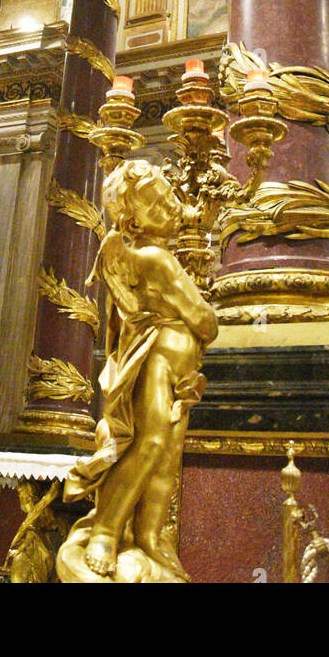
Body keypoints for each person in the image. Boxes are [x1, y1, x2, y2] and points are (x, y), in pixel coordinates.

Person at [57, 160, 217, 583]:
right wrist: (199, 316)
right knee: (147, 446)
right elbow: (205, 320)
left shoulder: (143, 255)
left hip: (181, 378)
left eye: (168, 197)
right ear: (131, 218)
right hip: (157, 366)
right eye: (156, 203)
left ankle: (147, 537)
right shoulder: (157, 259)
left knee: (166, 462)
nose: (169, 205)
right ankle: (105, 533)